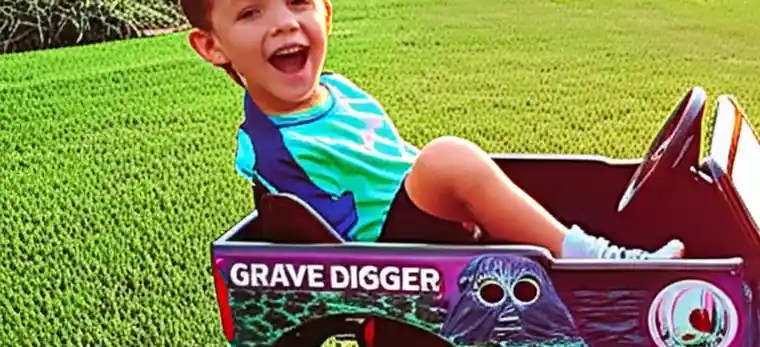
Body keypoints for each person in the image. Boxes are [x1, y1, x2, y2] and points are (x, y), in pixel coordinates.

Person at [180, 0, 684, 259]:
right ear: (212, 46)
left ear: (325, 13)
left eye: (298, 1)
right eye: (250, 12)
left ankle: (620, 235)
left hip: (419, 221)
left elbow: (393, 159)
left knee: (512, 174)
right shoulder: (268, 143)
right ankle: (596, 261)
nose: (284, 24)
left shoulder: (341, 92)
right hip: (393, 257)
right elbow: (296, 225)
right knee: (446, 159)